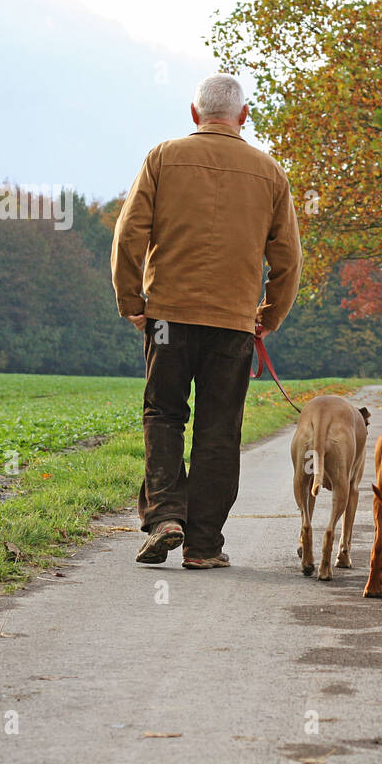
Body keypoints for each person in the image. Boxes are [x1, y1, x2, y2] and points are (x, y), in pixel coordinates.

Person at [111, 73, 302, 569]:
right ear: (243, 116)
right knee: (219, 430)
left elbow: (130, 232)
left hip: (168, 316)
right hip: (233, 324)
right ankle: (202, 545)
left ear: (195, 114)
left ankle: (166, 515)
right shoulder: (270, 173)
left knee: (164, 414)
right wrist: (269, 316)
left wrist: (131, 297)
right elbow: (288, 258)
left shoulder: (162, 158)